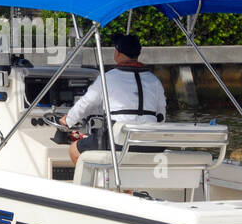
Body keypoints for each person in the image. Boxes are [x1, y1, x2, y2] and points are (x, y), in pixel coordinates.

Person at [54, 33, 166, 163]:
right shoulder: (154, 80)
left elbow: (86, 103)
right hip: (148, 143)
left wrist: (68, 120)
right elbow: (161, 114)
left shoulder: (108, 78)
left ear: (117, 53)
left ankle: (89, 184)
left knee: (74, 150)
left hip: (118, 141)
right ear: (137, 54)